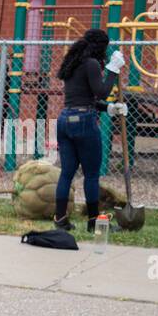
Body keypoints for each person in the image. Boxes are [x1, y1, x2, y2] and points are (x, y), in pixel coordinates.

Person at [54, 29, 126, 232]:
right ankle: (94, 223)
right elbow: (101, 91)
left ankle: (60, 220)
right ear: (100, 47)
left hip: (65, 119)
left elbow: (85, 97)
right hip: (84, 121)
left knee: (67, 172)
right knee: (91, 174)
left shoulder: (72, 63)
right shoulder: (92, 64)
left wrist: (109, 108)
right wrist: (113, 69)